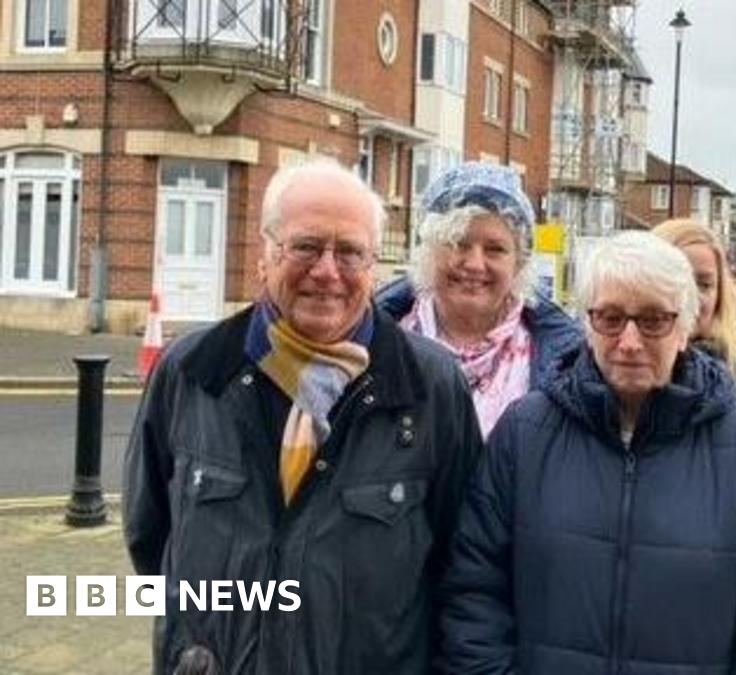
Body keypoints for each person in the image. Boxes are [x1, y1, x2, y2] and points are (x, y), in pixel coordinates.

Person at [123, 159, 484, 674]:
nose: (327, 271)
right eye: (307, 246)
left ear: (373, 266)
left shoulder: (432, 386)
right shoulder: (191, 370)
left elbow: (462, 565)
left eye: (350, 252)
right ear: (266, 254)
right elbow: (151, 537)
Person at [441, 231, 736, 674]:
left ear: (684, 329)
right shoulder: (524, 433)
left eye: (653, 320)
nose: (629, 341)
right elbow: (473, 592)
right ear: (588, 325)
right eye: (611, 318)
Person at [376, 162, 581, 438]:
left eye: (494, 249)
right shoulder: (377, 342)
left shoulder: (565, 361)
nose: (474, 264)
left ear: (519, 262)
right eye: (458, 244)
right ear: (430, 253)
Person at [653, 218, 736, 426]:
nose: (691, 296)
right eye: (677, 282)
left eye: (703, 285)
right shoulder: (617, 362)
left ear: (720, 294)